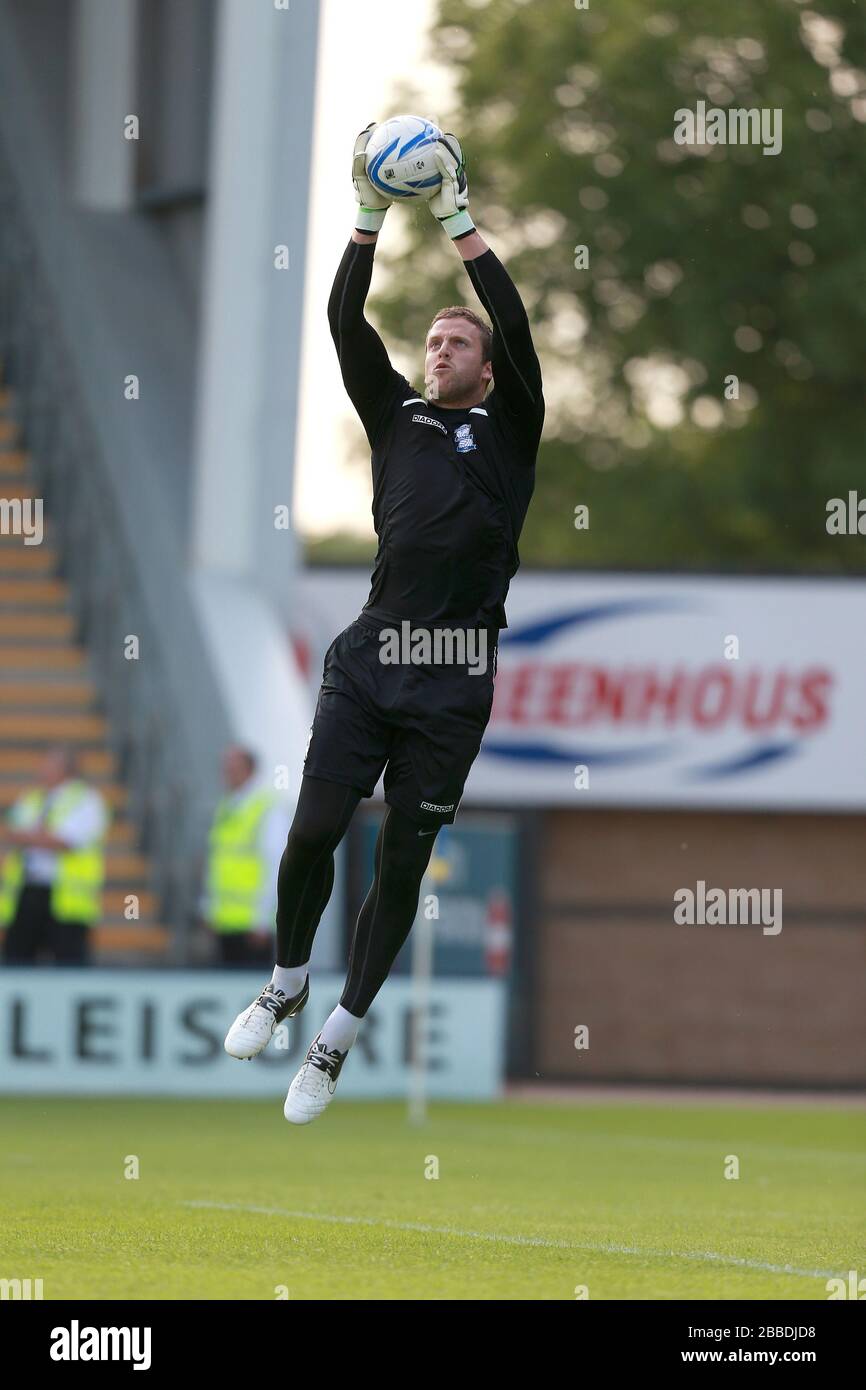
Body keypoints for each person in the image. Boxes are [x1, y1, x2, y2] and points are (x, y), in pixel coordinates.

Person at [224, 125, 544, 1124]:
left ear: (484, 371)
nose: (442, 345)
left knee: (399, 860)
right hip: (373, 653)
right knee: (315, 827)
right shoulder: (396, 414)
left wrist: (453, 219)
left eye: (459, 340)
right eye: (435, 338)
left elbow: (514, 320)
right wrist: (367, 211)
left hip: (454, 672)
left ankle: (333, 1041)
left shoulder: (512, 423)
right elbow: (339, 317)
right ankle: (285, 983)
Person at [0, 745, 110, 965]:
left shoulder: (87, 801)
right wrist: (39, 838)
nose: (42, 768)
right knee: (17, 958)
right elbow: (11, 832)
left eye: (49, 763)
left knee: (67, 962)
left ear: (65, 769)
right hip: (27, 890)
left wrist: (31, 837)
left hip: (66, 898)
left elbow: (65, 841)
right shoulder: (32, 798)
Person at [201, 746, 289, 968]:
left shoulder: (267, 808)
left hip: (252, 925)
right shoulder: (227, 807)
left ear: (249, 769)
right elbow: (218, 862)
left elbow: (276, 864)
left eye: (233, 767)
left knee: (253, 993)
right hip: (225, 921)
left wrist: (262, 919)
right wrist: (209, 908)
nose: (227, 773)